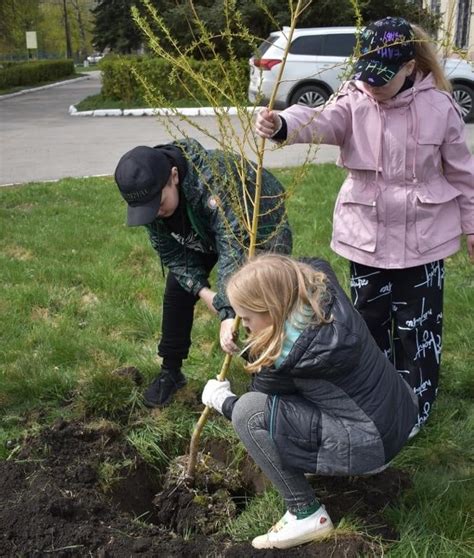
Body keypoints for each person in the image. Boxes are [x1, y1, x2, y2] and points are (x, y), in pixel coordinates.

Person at [255, 17, 474, 431]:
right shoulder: (354, 100)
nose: (372, 86)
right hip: (366, 241)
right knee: (369, 326)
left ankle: (416, 410)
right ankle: (378, 400)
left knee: (418, 330)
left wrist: (473, 225)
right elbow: (319, 119)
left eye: (383, 78)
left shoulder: (440, 107)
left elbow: (463, 174)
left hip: (422, 243)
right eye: (367, 76)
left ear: (410, 67)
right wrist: (283, 124)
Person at [201, 254, 418, 550]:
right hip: (399, 411)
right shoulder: (319, 288)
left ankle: (305, 513)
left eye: (248, 320)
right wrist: (257, 278)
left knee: (248, 413)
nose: (247, 328)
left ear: (271, 310)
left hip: (374, 442)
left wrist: (221, 399)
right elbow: (304, 262)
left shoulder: (289, 357)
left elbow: (259, 396)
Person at [114, 138, 292, 407]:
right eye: (148, 210)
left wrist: (227, 312)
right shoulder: (152, 200)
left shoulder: (214, 179)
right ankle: (170, 372)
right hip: (204, 230)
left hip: (259, 225)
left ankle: (270, 372)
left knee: (258, 298)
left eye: (159, 204)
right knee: (178, 289)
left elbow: (234, 247)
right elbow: (173, 255)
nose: (156, 213)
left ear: (174, 176)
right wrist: (204, 292)